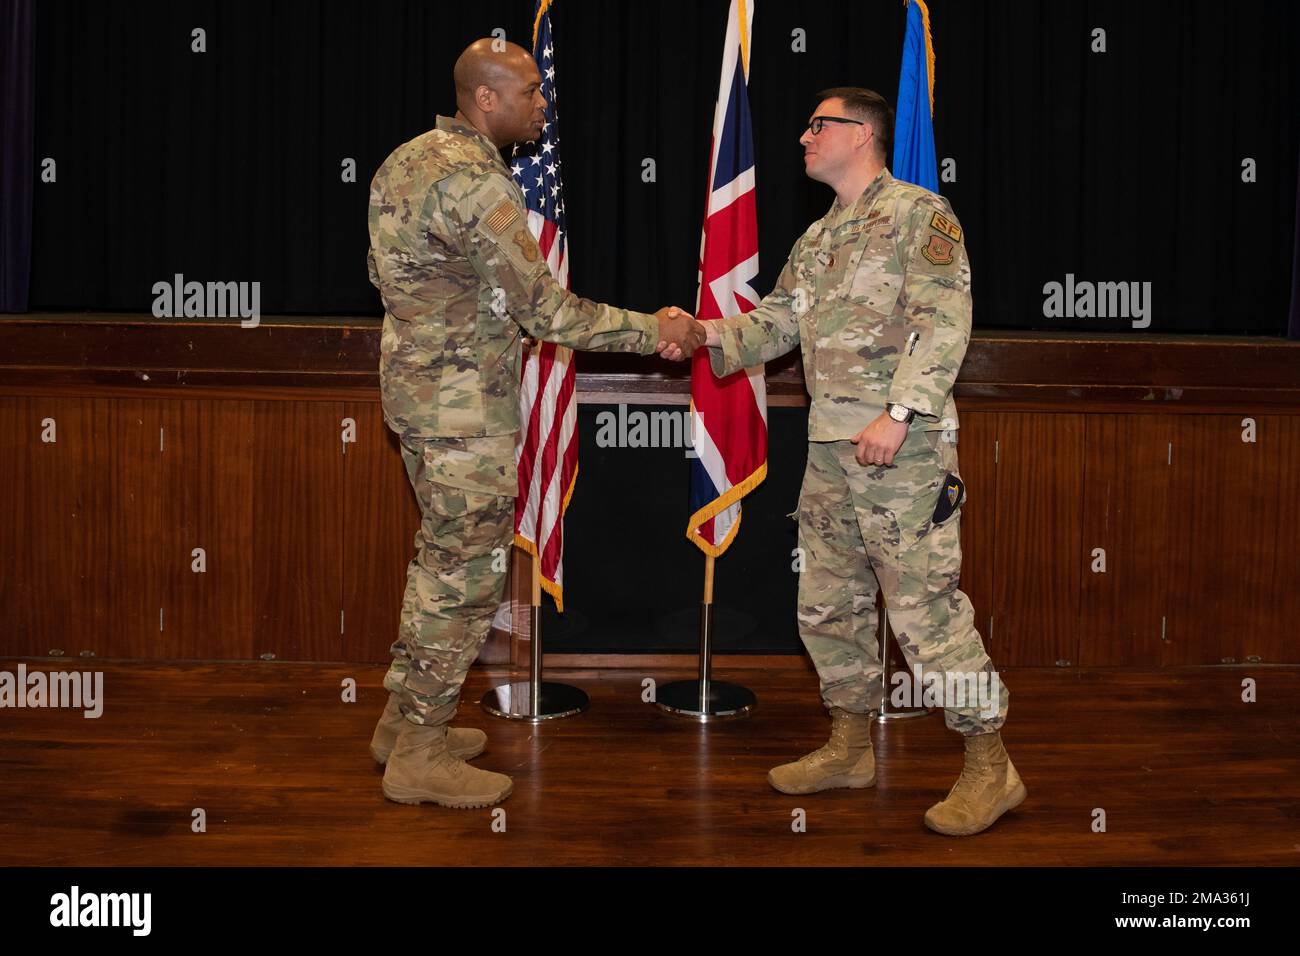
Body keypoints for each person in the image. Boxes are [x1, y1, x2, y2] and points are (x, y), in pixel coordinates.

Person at [665, 87, 1024, 836]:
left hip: (905, 451)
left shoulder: (920, 215)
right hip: (830, 450)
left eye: (816, 125)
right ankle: (850, 746)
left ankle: (990, 766)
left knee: (926, 614)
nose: (803, 137)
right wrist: (699, 334)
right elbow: (772, 326)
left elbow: (945, 320)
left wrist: (899, 413)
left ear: (860, 134)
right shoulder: (820, 237)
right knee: (829, 605)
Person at [366, 38, 704, 809]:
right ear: (486, 99)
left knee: (437, 564)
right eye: (529, 90)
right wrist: (656, 327)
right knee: (465, 579)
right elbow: (547, 310)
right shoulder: (477, 185)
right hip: (465, 415)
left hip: (419, 401)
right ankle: (418, 750)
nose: (542, 102)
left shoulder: (405, 160)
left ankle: (400, 719)